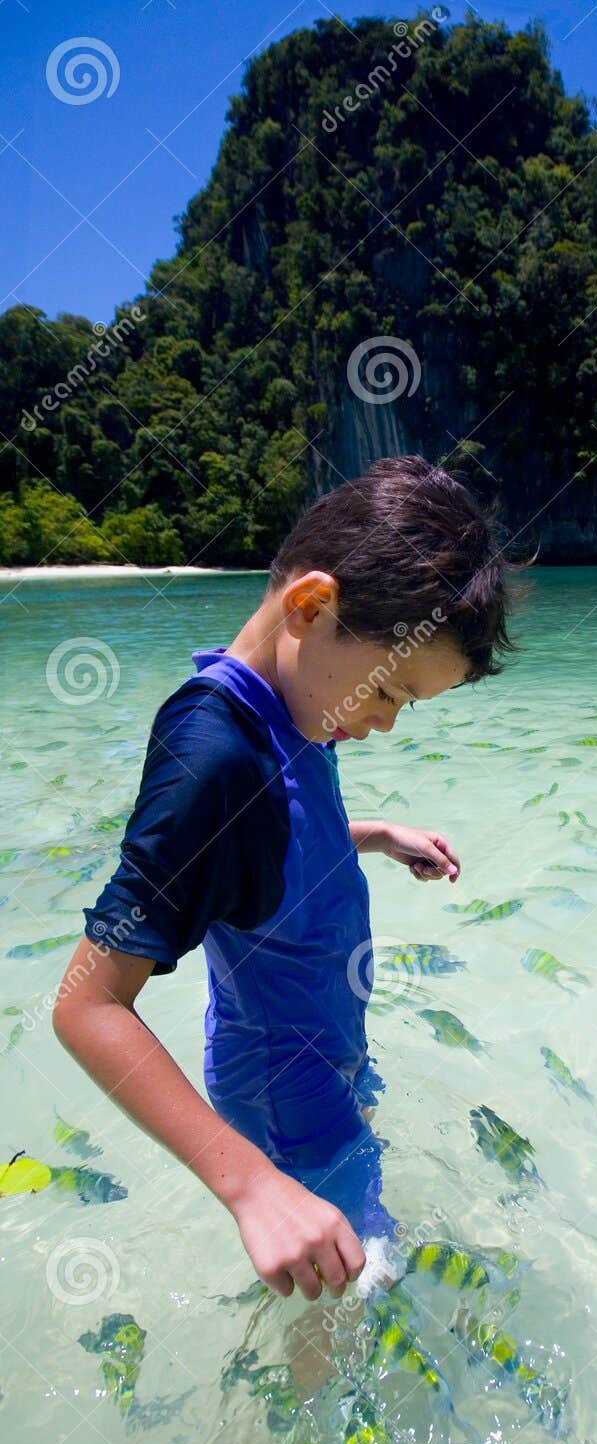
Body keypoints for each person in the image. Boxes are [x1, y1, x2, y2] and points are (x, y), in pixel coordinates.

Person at [53, 455, 524, 1306]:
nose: (382, 724)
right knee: (344, 1293)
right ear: (312, 605)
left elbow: (268, 845)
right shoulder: (213, 756)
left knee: (343, 1258)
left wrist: (374, 836)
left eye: (405, 707)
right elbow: (84, 1006)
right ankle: (295, 1428)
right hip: (280, 1085)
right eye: (388, 691)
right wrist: (248, 1186)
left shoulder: (298, 708)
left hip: (327, 1051)